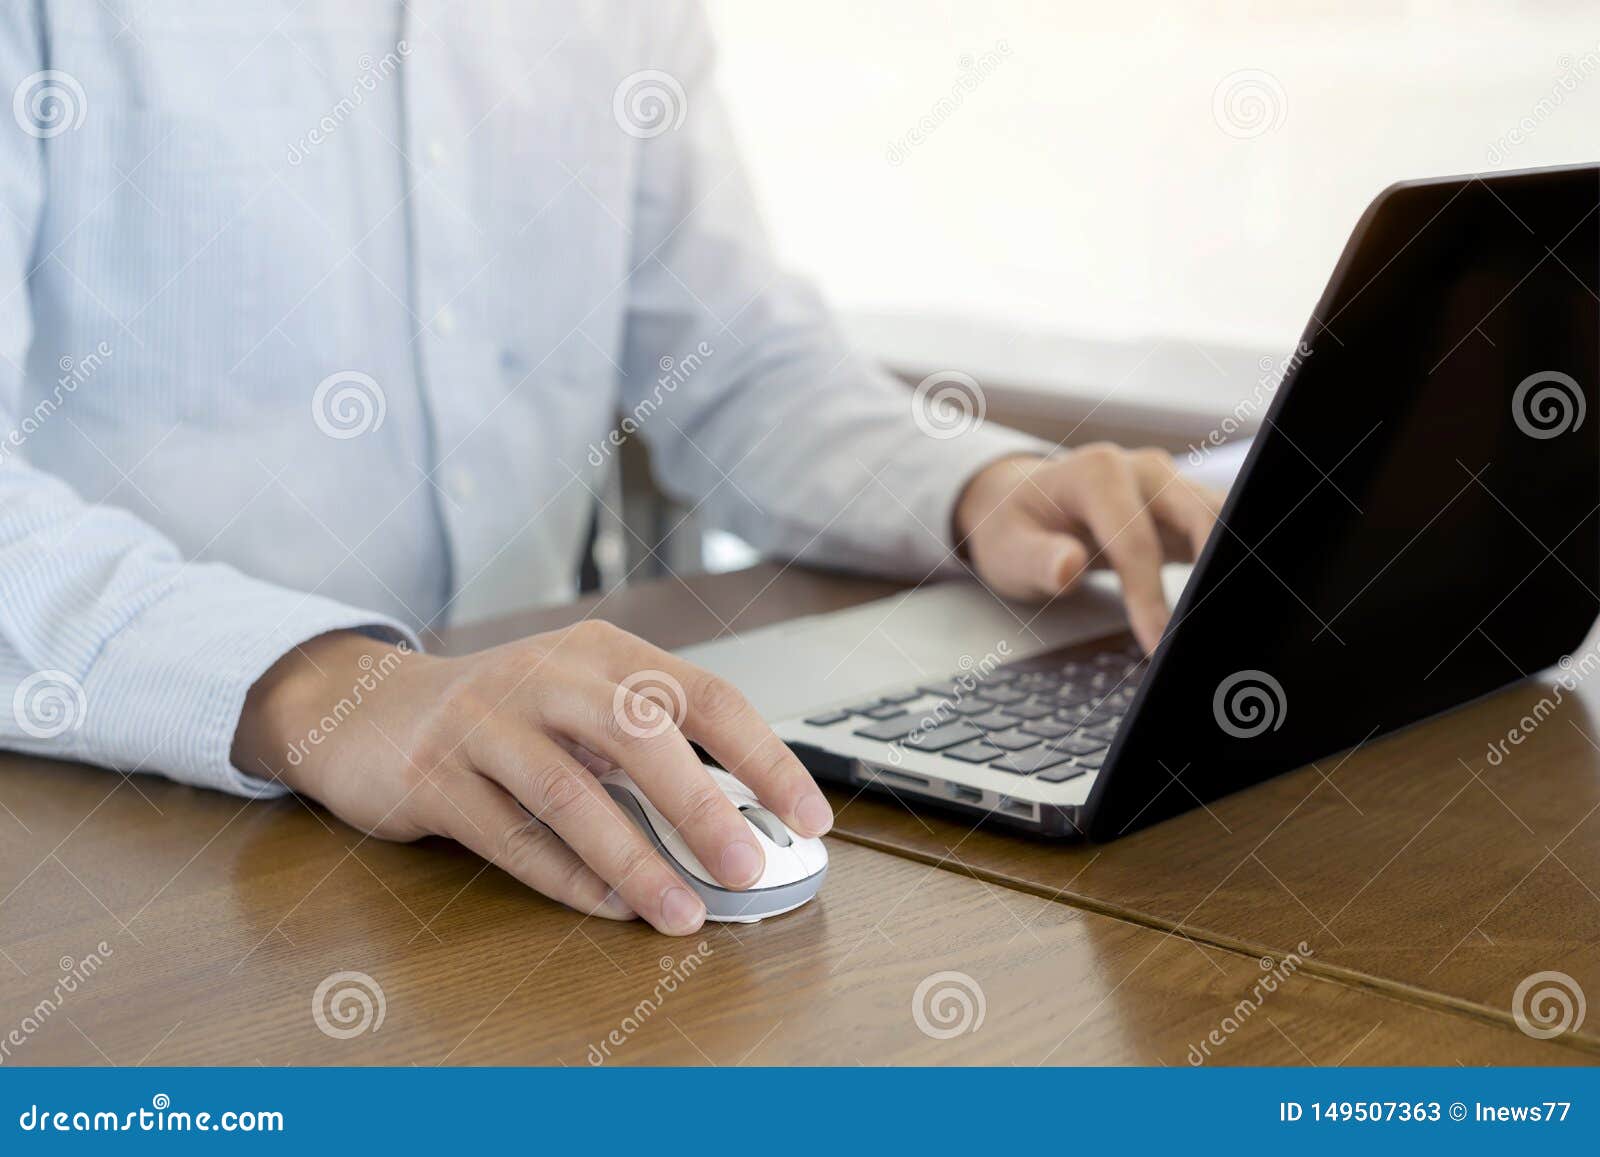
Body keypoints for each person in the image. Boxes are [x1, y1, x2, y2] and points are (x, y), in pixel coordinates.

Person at [0, 4, 1220, 935]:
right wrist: (324, 688)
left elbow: (726, 360)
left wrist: (973, 487)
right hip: (129, 831)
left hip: (537, 798)